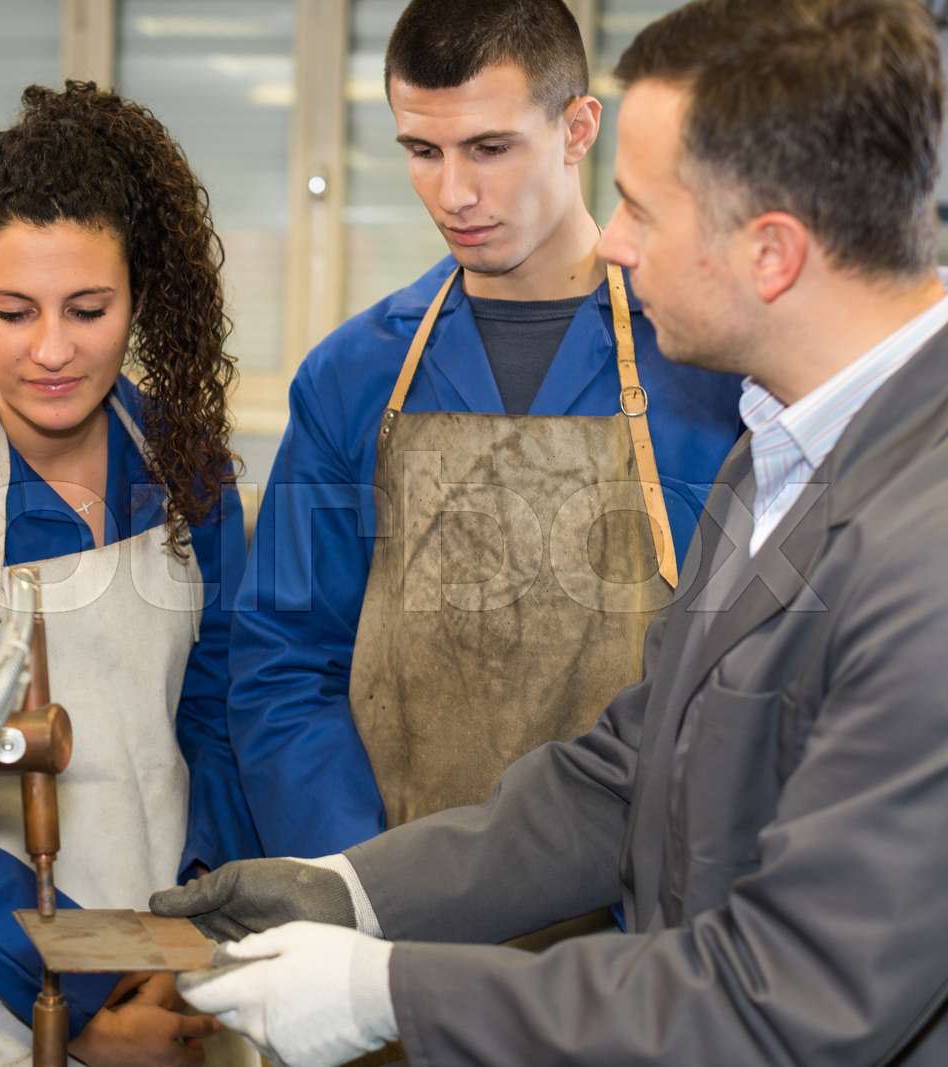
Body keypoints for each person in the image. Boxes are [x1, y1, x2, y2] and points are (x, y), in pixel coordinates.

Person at [153, 1, 948, 1064]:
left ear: (770, 253)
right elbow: (633, 763)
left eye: (637, 208)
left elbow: (788, 996)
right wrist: (352, 884)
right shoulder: (785, 440)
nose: (611, 243)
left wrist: (389, 987)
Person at [228, 0, 744, 864]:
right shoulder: (351, 380)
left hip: (634, 926)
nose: (453, 193)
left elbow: (742, 679)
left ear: (579, 128)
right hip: (394, 919)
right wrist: (369, 891)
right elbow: (284, 663)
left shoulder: (705, 373)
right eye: (422, 152)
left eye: (490, 148)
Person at [0, 81, 262, 1067]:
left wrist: (179, 942)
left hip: (172, 968)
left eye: (89, 308)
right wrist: (88, 999)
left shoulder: (184, 467)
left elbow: (217, 713)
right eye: (11, 310)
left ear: (137, 296)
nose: (51, 350)